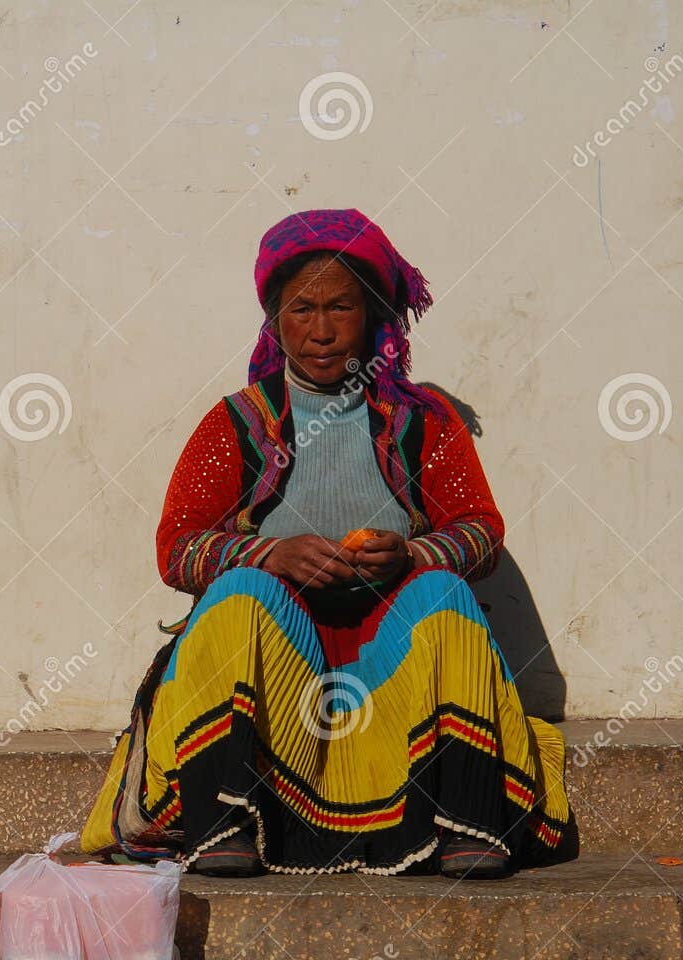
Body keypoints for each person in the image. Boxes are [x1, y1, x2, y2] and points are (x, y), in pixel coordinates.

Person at [81, 208, 571, 879]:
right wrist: (267, 556)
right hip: (280, 664)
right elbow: (178, 547)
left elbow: (480, 529)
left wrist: (413, 556)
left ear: (373, 316)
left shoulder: (420, 422)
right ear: (274, 320)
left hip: (390, 661)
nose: (320, 329)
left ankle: (464, 821)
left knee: (447, 595)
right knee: (237, 594)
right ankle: (227, 819)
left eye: (340, 306)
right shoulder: (238, 423)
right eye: (301, 308)